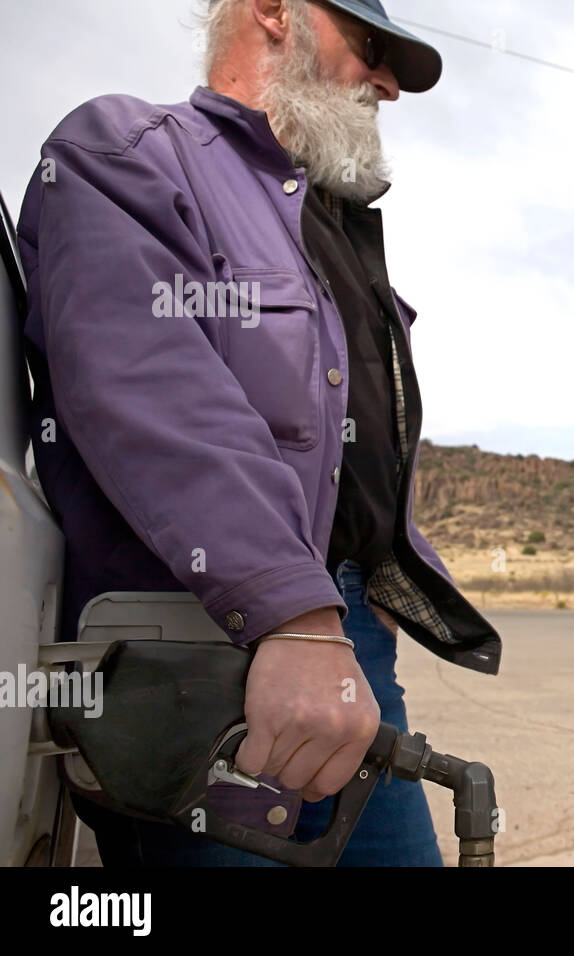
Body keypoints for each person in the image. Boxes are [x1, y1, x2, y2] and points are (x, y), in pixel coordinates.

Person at [16, 0, 501, 866]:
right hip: (212, 651)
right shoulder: (126, 153)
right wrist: (296, 618)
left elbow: (350, 443)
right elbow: (154, 391)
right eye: (373, 47)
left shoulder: (331, 229)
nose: (388, 82)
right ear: (275, 11)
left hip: (336, 638)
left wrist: (384, 576)